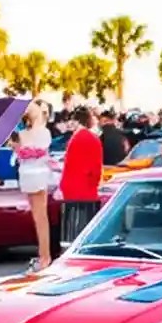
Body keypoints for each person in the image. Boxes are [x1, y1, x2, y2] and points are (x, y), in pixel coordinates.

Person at [14, 99, 54, 272]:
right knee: (37, 217)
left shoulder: (43, 132)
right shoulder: (23, 134)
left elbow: (39, 151)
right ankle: (43, 255)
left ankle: (45, 255)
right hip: (27, 175)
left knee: (40, 217)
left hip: (37, 175)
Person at [57, 106, 104, 248]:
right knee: (86, 226)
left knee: (72, 226)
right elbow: (96, 166)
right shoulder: (91, 138)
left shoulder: (75, 138)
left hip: (71, 187)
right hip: (86, 188)